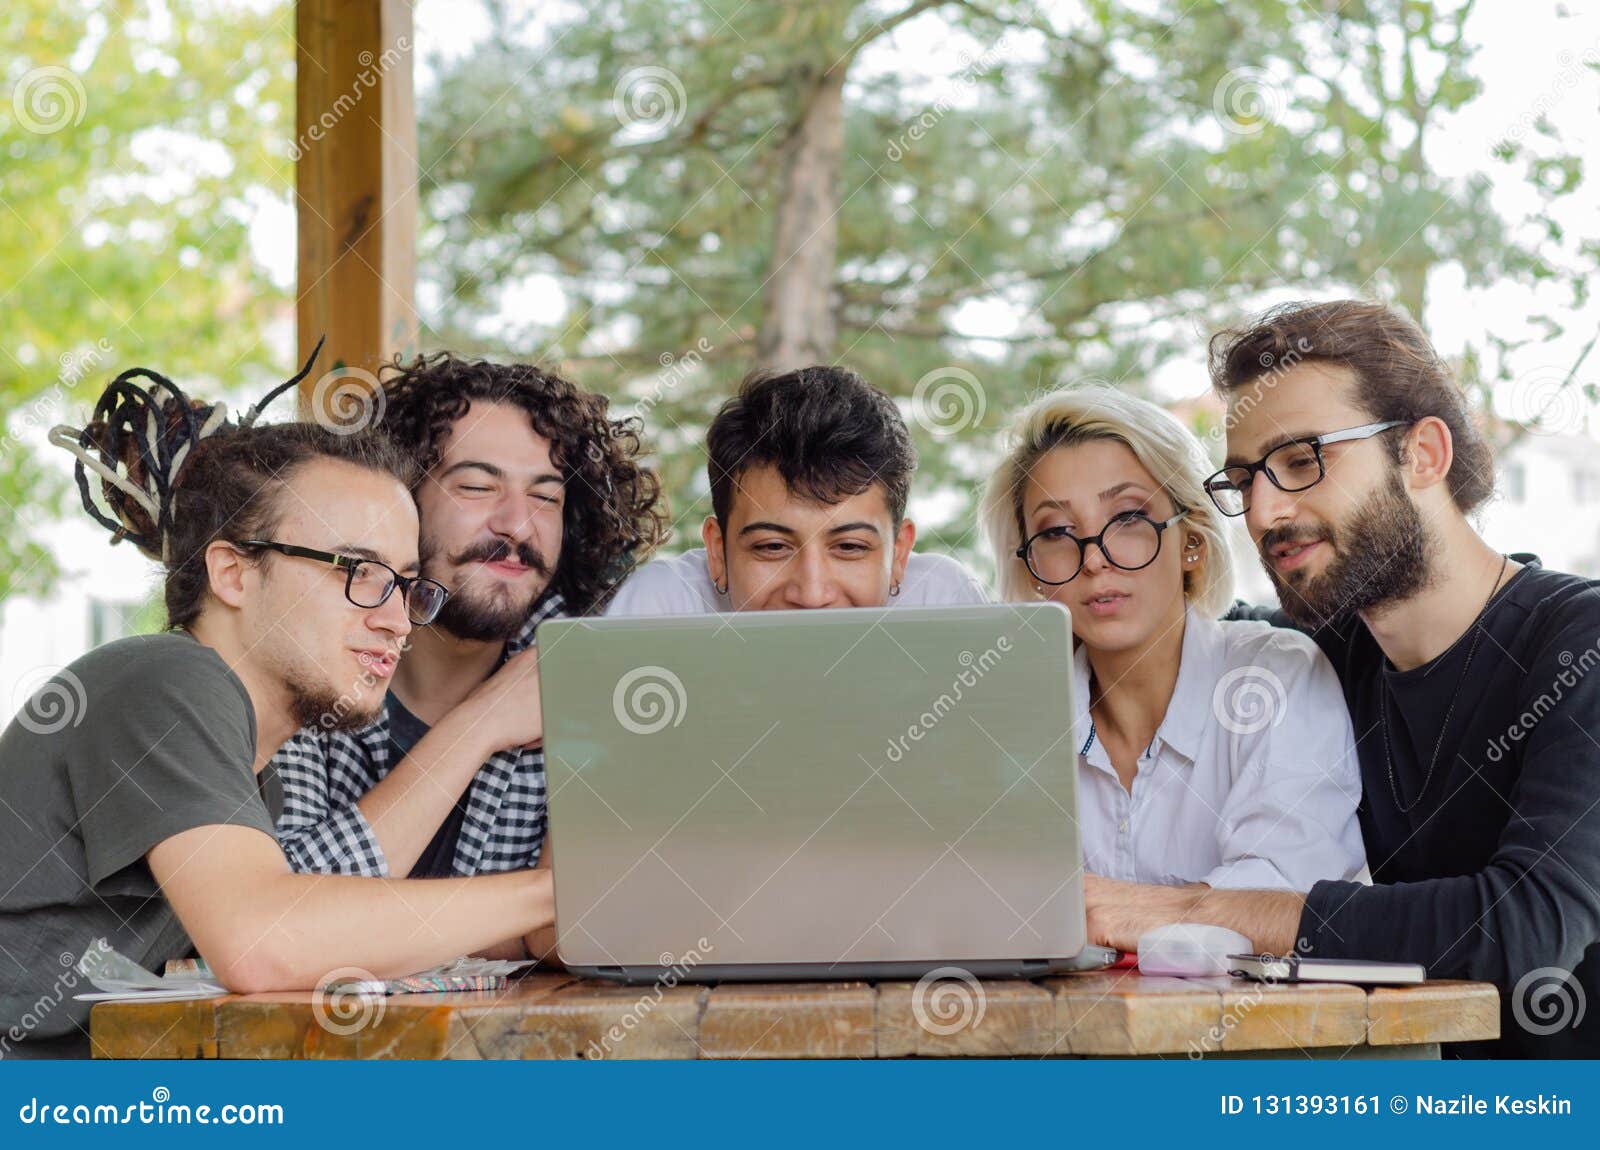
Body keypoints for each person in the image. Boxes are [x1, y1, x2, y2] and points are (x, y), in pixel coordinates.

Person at [1083, 299, 1600, 1057]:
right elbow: (1149, 641)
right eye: (1245, 480)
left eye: (1301, 461)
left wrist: (1185, 909)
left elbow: (1526, 926)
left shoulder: (1578, 645)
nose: (1263, 512)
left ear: (1423, 454)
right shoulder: (1312, 652)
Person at [0, 356, 553, 1057]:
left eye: (405, 585)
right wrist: (556, 894)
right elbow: (262, 942)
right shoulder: (164, 680)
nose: (397, 621)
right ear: (232, 573)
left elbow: (307, 925)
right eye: (359, 573)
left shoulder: (260, 774)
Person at [272, 354, 666, 894]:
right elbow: (282, 915)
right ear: (400, 499)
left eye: (546, 496)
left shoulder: (599, 661)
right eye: (478, 487)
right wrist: (482, 721)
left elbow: (614, 906)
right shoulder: (303, 652)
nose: (517, 523)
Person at [979, 385, 1365, 891]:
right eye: (1055, 533)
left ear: (1192, 543)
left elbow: (1280, 895)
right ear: (1031, 569)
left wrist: (1092, 911)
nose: (1094, 559)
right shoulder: (1009, 718)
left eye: (1129, 518)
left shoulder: (1275, 676)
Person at [607, 365, 988, 614]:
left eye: (850, 548)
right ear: (718, 552)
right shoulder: (663, 607)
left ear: (900, 554)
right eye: (772, 547)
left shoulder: (942, 603)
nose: (811, 595)